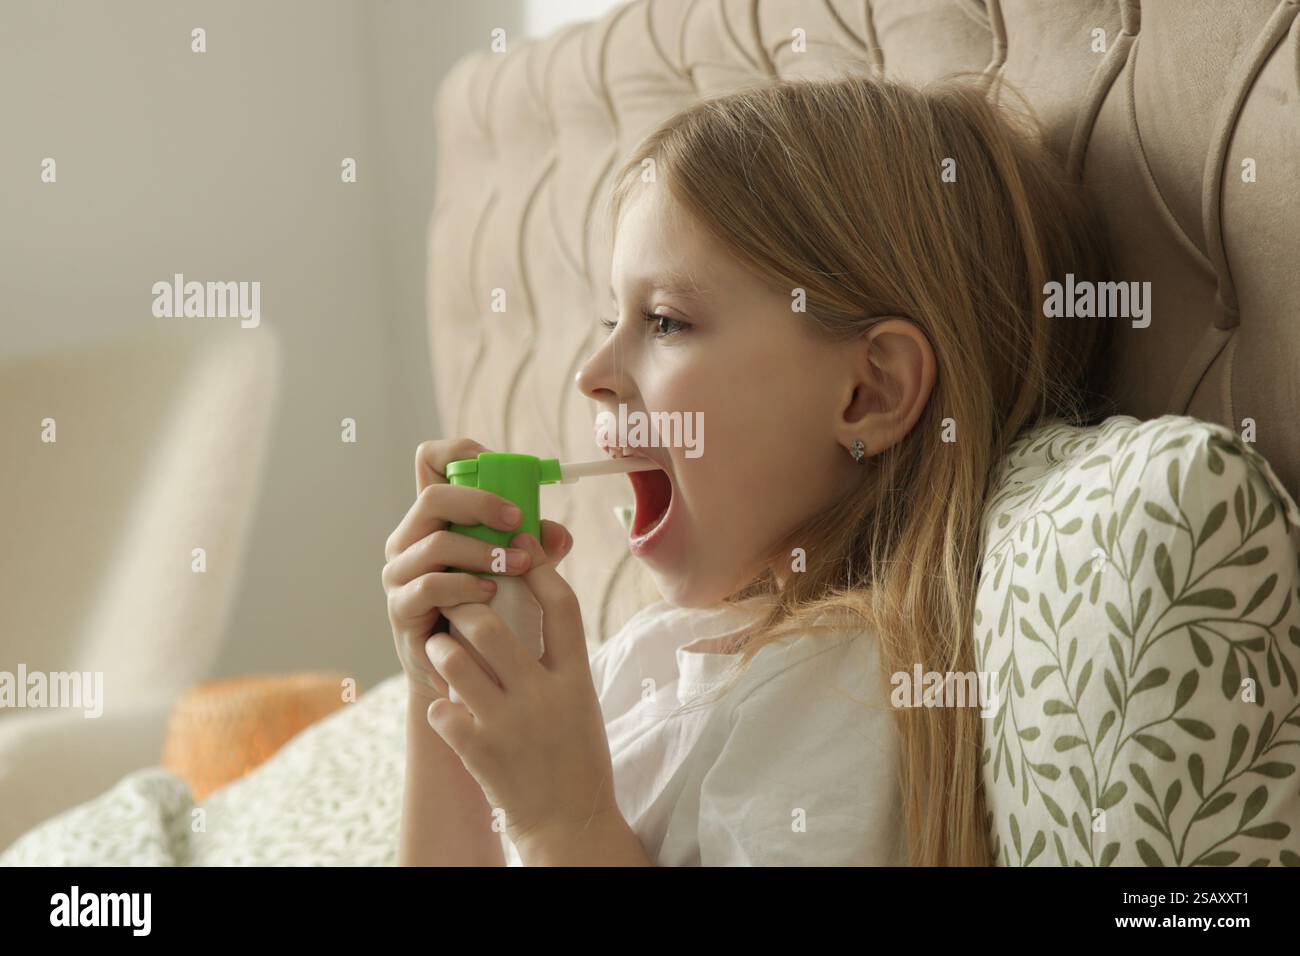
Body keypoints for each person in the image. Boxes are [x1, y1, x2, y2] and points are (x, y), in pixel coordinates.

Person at [383, 74, 1112, 866]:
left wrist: (564, 820)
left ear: (871, 391)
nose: (592, 371)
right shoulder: (653, 656)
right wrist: (444, 686)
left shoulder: (836, 693)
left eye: (665, 320)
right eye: (609, 321)